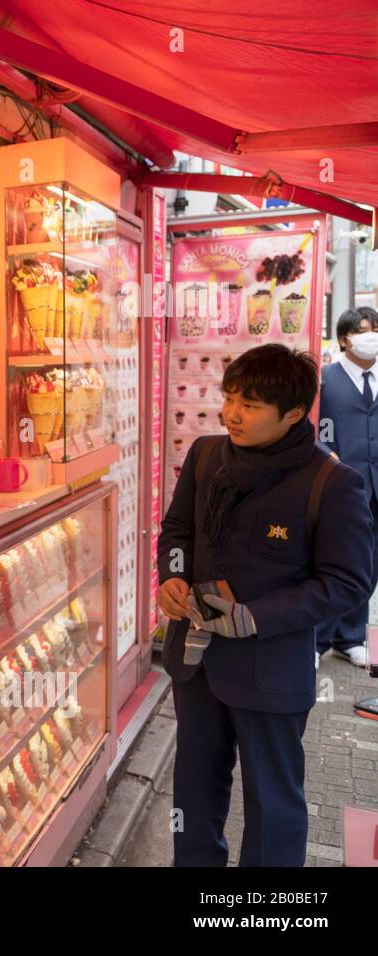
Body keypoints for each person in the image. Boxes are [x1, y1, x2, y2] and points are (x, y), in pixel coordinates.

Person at [157, 344, 373, 867]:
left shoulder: (331, 483)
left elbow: (347, 584)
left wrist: (254, 616)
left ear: (294, 413)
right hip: (197, 663)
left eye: (250, 405)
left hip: (270, 671)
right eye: (230, 398)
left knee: (273, 804)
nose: (231, 413)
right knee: (192, 793)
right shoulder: (207, 456)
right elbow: (177, 531)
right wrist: (174, 576)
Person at [316, 308, 378, 667]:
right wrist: (330, 457)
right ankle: (319, 639)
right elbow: (322, 429)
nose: (371, 336)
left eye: (375, 330)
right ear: (344, 339)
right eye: (364, 331)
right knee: (335, 560)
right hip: (343, 484)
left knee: (369, 565)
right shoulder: (328, 379)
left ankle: (351, 636)